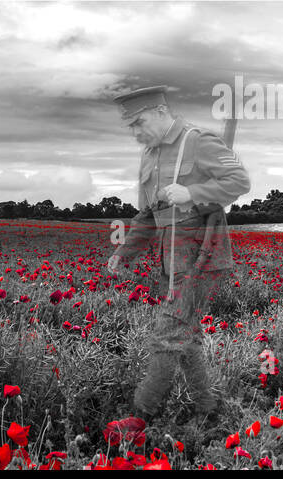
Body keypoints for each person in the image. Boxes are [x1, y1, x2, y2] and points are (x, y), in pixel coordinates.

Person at [105, 86, 251, 432]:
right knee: (185, 340)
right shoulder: (150, 156)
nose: (137, 135)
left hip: (202, 255)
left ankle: (140, 417)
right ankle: (210, 410)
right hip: (170, 259)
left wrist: (192, 192)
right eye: (132, 129)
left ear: (159, 112)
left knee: (167, 335)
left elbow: (238, 180)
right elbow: (148, 215)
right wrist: (125, 251)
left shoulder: (198, 141)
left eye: (140, 124)